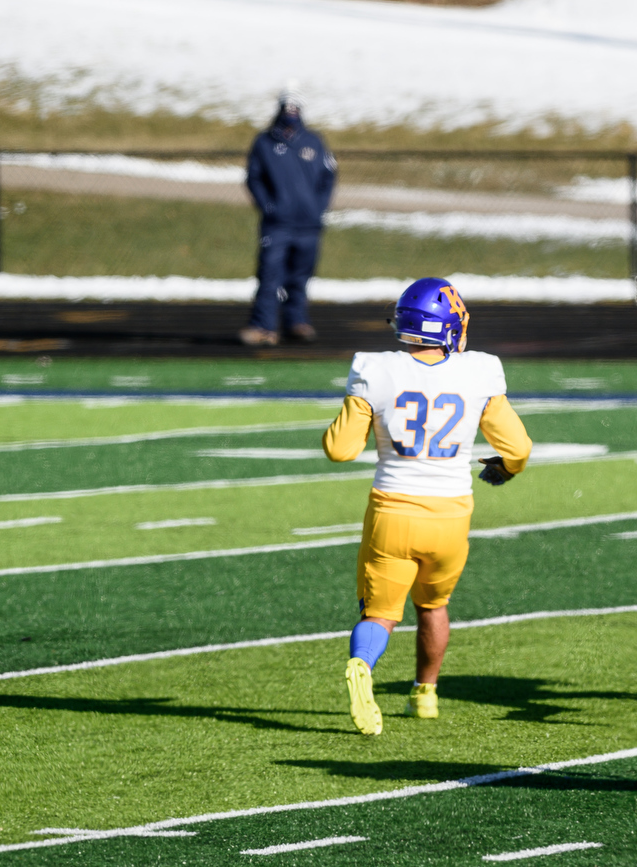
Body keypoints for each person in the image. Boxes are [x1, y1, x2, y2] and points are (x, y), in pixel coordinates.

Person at [321, 278, 532, 736]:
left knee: (379, 614)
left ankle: (363, 663)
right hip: (451, 513)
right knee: (434, 605)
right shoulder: (480, 370)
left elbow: (340, 449)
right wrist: (506, 468)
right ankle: (426, 693)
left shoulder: (375, 368)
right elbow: (518, 448)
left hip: (393, 509)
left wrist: (357, 405)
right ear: (451, 327)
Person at [239, 86, 337, 346]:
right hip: (278, 224)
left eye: (296, 108)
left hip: (309, 224)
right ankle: (263, 326)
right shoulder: (265, 142)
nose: (291, 112)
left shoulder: (314, 141)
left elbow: (328, 176)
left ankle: (297, 321)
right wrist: (269, 206)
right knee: (270, 275)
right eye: (287, 107)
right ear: (279, 109)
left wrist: (318, 207)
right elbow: (253, 178)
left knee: (300, 276)